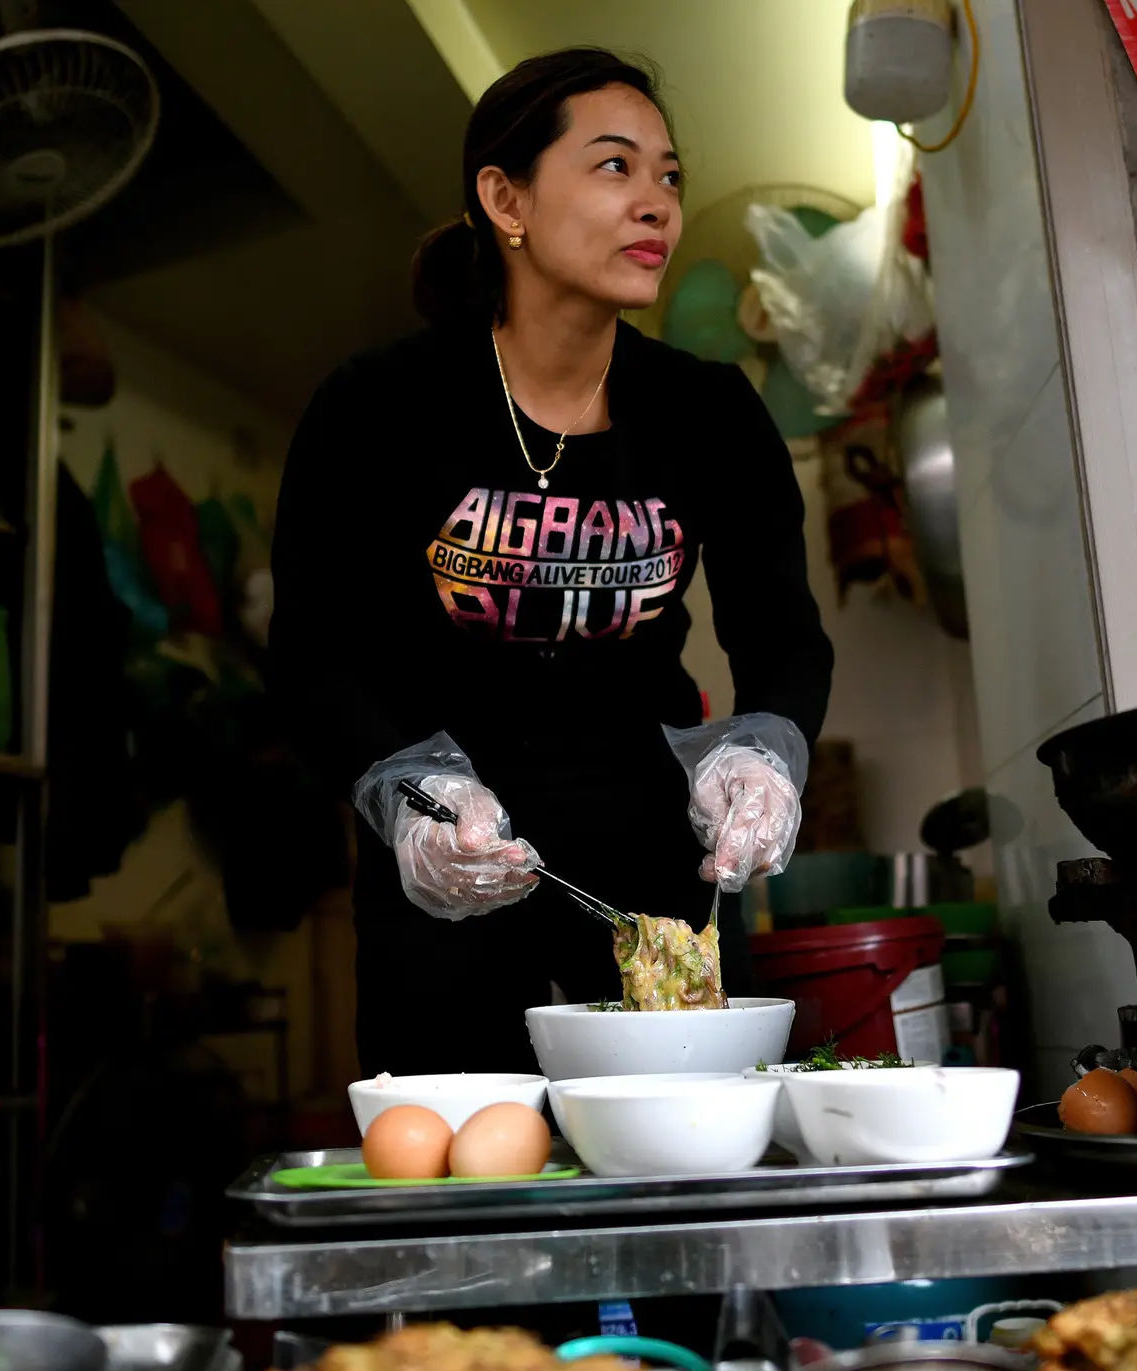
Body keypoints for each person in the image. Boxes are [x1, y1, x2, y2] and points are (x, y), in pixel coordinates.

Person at [270, 48, 834, 1076]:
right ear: (505, 197)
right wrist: (411, 799)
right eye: (614, 167)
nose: (655, 203)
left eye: (668, 175)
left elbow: (783, 635)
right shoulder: (373, 407)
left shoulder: (708, 412)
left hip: (654, 865)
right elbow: (310, 657)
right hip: (450, 865)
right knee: (465, 1168)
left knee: (680, 1168)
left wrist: (763, 755)